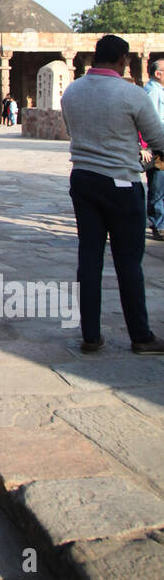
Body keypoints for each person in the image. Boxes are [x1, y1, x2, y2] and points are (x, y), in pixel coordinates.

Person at [60, 34, 164, 355]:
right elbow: (157, 138)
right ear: (122, 61)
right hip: (121, 182)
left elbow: (71, 129)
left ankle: (91, 335)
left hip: (84, 179)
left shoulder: (72, 92)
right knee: (128, 262)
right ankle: (140, 336)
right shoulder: (131, 94)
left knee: (89, 258)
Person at [144, 57, 164, 241]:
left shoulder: (159, 90)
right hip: (158, 148)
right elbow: (151, 121)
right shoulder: (152, 91)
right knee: (158, 184)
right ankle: (159, 224)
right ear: (158, 74)